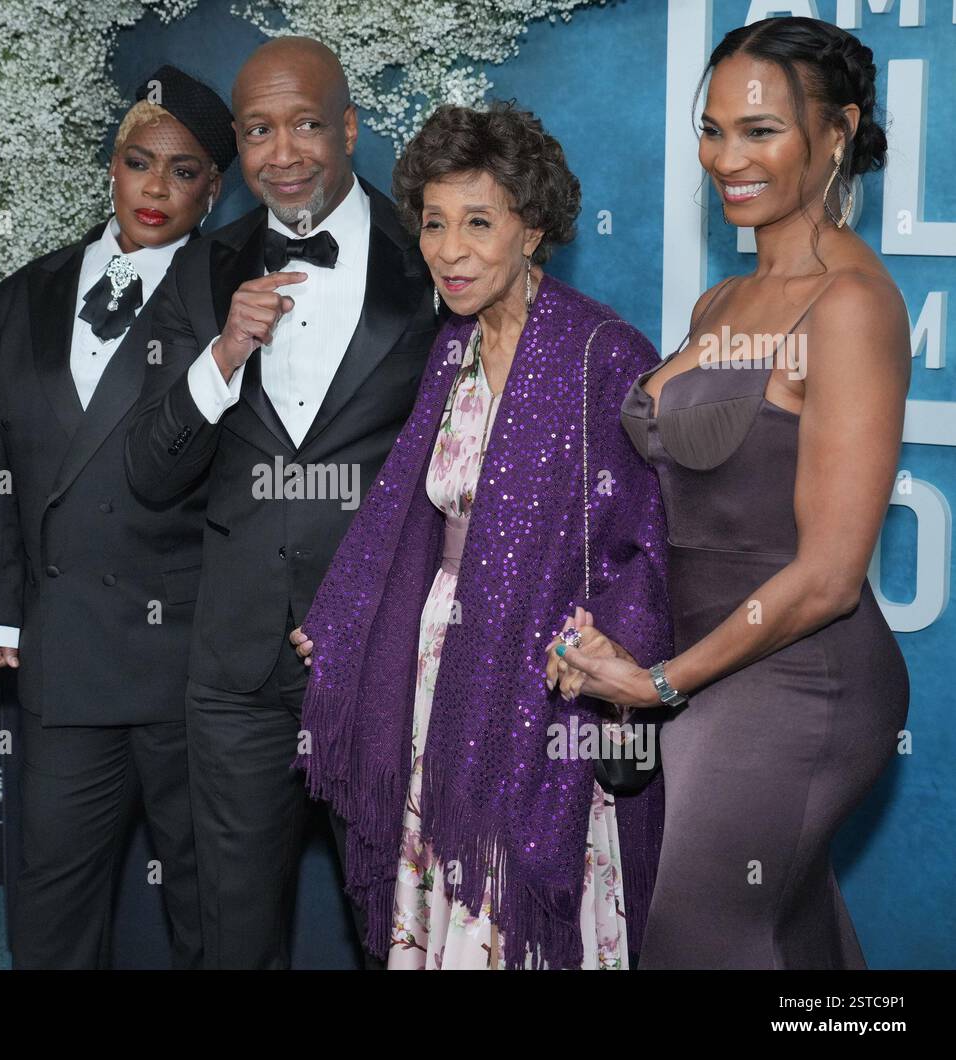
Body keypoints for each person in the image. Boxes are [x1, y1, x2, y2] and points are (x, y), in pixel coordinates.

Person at [550, 16, 909, 969]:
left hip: (799, 679)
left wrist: (663, 683)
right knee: (784, 939)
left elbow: (830, 575)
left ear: (835, 134)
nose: (727, 157)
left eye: (761, 130)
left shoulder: (852, 305)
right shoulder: (719, 302)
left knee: (701, 941)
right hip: (703, 664)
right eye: (713, 129)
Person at [291, 101, 673, 969]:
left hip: (544, 687)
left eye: (478, 223)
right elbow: (404, 513)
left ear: (532, 230)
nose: (449, 251)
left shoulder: (599, 351)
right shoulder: (451, 347)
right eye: (433, 224)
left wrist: (607, 647)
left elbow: (645, 539)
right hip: (442, 670)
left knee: (510, 909)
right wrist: (346, 619)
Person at [125, 37, 438, 969]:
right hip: (235, 668)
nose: (284, 150)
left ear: (347, 127)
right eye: (258, 129)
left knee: (400, 929)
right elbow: (149, 468)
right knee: (233, 933)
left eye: (306, 122)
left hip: (381, 656)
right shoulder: (200, 267)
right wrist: (220, 357)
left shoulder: (432, 256)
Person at [0, 65, 235, 969]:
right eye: (138, 162)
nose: (155, 188)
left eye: (183, 170)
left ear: (215, 188)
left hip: (192, 653)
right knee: (50, 897)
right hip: (64, 647)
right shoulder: (21, 295)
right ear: (110, 167)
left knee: (210, 900)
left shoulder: (241, 295)